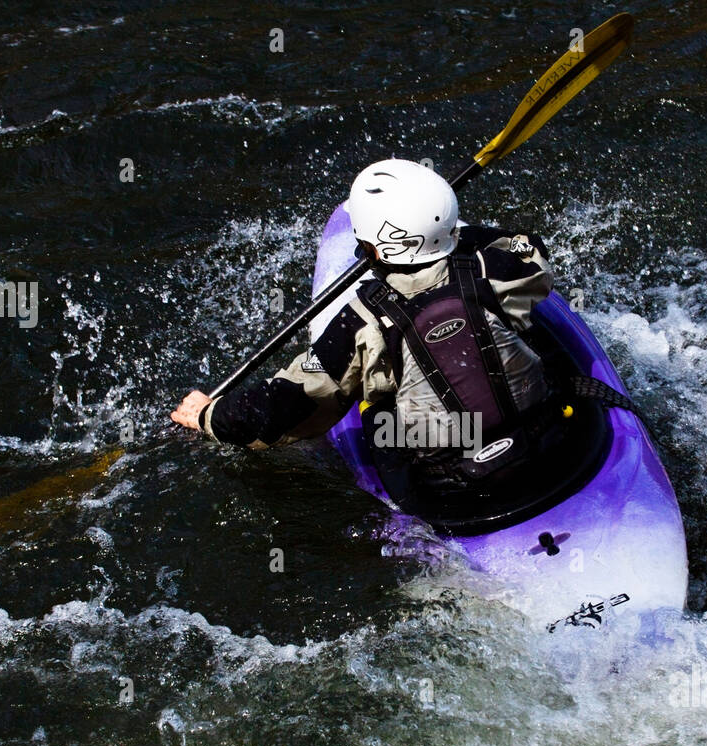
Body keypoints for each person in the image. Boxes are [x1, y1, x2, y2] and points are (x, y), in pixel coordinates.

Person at [171, 158, 587, 524]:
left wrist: (211, 415)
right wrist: (454, 240)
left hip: (455, 489)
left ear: (373, 247)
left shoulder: (361, 323)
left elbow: (285, 407)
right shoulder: (501, 267)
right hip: (550, 449)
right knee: (535, 337)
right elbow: (528, 244)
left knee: (376, 405)